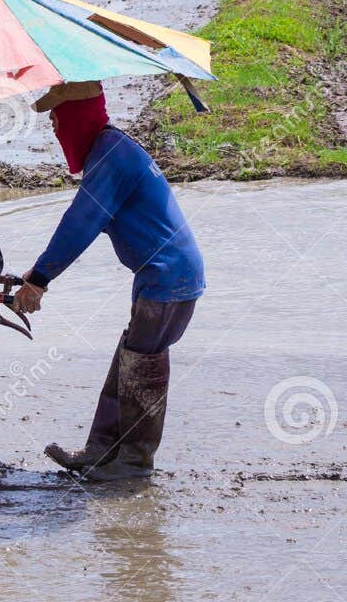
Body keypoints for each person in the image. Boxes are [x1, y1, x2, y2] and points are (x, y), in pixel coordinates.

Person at [11, 80, 204, 481]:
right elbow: (83, 221)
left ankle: (132, 464)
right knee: (130, 357)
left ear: (77, 117)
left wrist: (41, 278)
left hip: (168, 276)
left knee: (142, 365)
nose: (55, 128)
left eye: (58, 119)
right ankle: (101, 450)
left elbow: (81, 222)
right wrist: (38, 272)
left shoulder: (111, 156)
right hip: (161, 274)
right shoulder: (112, 148)